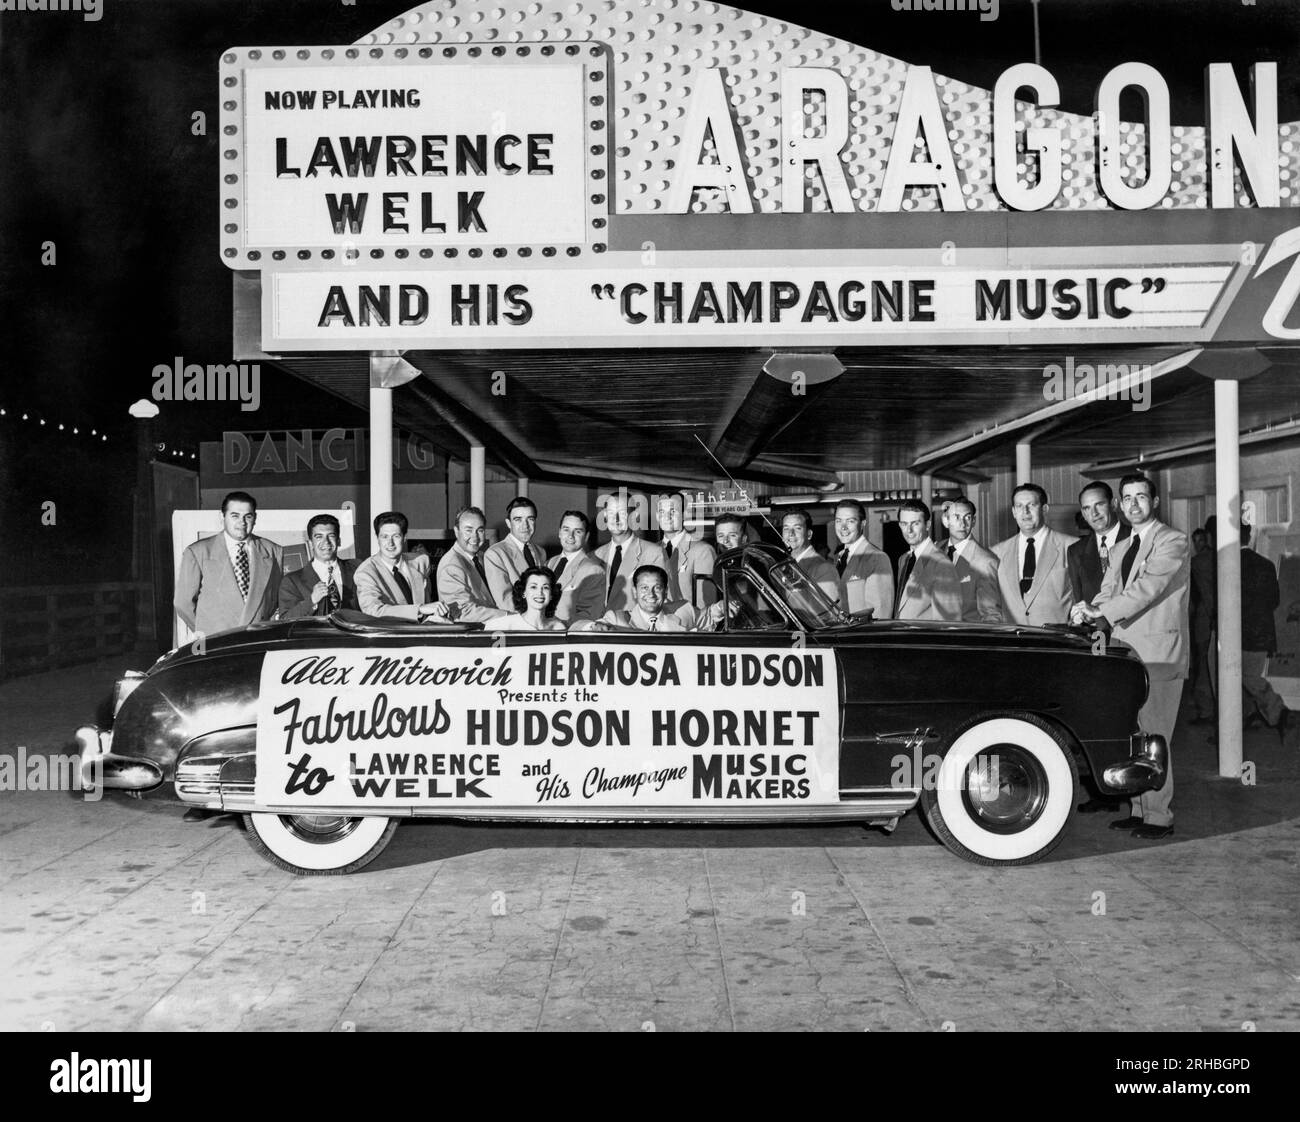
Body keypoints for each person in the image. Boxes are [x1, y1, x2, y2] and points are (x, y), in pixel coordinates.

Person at [1074, 474, 1189, 840]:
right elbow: (1109, 591)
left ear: (1155, 502)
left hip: (1158, 656)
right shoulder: (1125, 546)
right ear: (1120, 505)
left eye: (1141, 497)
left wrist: (1104, 614)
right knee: (1135, 736)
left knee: (1156, 736)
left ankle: (1159, 816)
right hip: (1127, 657)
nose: (1134, 504)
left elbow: (1148, 588)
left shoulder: (1172, 541)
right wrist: (1087, 609)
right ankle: (1140, 809)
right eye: (1127, 498)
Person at [174, 490, 282, 636]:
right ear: (222, 517)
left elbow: (275, 600)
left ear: (255, 518)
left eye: (247, 516)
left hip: (256, 641)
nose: (241, 522)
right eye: (235, 516)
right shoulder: (197, 552)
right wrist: (207, 630)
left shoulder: (273, 551)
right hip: (213, 641)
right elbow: (182, 603)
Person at [1240, 524, 1295, 742]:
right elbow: (1274, 600)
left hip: (1240, 633)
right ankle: (1250, 715)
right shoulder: (1267, 564)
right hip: (1263, 632)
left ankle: (1279, 711)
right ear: (1250, 537)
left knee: (1245, 677)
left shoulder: (1228, 565)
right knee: (1249, 676)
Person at [993, 484, 1075, 626]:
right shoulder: (997, 552)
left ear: (1044, 509)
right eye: (1019, 506)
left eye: (1031, 505)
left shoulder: (1071, 546)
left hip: (1056, 640)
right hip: (1013, 642)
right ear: (1013, 512)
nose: (1025, 512)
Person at [354, 511, 446, 621]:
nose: (390, 543)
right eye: (384, 537)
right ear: (377, 538)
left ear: (405, 537)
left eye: (396, 536)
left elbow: (430, 602)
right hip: (391, 635)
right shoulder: (366, 572)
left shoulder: (421, 561)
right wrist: (419, 609)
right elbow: (374, 610)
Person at [590, 565, 721, 631]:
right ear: (635, 592)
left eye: (657, 588)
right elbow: (578, 628)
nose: (651, 594)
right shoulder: (616, 619)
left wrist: (724, 606)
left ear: (665, 592)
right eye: (644, 588)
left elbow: (710, 614)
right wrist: (594, 626)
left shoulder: (684, 611)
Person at [276, 514, 358, 618]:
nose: (326, 542)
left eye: (331, 536)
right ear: (310, 543)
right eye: (319, 537)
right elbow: (285, 620)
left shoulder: (357, 569)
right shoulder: (292, 581)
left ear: (339, 541)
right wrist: (312, 600)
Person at [436, 506, 508, 624]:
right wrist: (508, 615)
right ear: (456, 531)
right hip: (472, 637)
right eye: (468, 530)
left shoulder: (481, 557)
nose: (475, 537)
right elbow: (462, 612)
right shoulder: (451, 566)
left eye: (480, 530)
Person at [595, 493, 666, 613]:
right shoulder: (595, 555)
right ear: (605, 516)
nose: (616, 519)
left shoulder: (653, 553)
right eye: (611, 513)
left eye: (622, 513)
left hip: (634, 629)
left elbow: (661, 601)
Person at [893, 499, 963, 621]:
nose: (909, 530)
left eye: (915, 523)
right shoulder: (904, 559)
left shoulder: (941, 563)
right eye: (904, 524)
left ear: (928, 525)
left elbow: (949, 621)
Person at [935, 497, 1003, 622]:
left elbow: (991, 616)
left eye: (967, 517)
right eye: (956, 517)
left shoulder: (986, 561)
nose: (963, 524)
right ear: (946, 521)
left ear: (974, 521)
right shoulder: (934, 551)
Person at [1067, 481, 1132, 605]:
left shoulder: (1137, 538)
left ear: (1114, 504)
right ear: (1083, 514)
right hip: (1094, 624)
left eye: (1099, 504)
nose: (1094, 513)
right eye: (1087, 508)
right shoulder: (1075, 551)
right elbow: (1079, 599)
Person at [832, 499, 893, 619]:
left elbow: (881, 612)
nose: (843, 527)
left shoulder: (877, 558)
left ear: (863, 523)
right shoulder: (838, 557)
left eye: (850, 521)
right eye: (839, 521)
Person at [482, 496, 543, 611]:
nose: (525, 526)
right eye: (518, 519)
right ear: (508, 523)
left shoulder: (541, 552)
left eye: (530, 519)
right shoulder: (495, 554)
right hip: (518, 623)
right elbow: (505, 601)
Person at [657, 492, 716, 608]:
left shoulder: (702, 551)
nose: (667, 517)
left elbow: (707, 605)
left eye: (673, 512)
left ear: (684, 515)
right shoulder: (649, 551)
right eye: (662, 512)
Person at [548, 510, 606, 626]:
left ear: (586, 537)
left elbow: (588, 616)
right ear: (559, 532)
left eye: (578, 531)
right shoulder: (549, 563)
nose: (570, 536)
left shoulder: (593, 570)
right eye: (566, 530)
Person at [1188, 517, 1217, 723]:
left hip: (1205, 619)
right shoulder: (1218, 557)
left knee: (1203, 663)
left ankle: (1206, 710)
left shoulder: (1198, 562)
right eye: (1195, 541)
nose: (1197, 545)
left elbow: (1205, 594)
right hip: (1212, 617)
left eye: (1200, 540)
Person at [780, 509, 840, 603]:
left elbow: (828, 614)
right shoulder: (782, 567)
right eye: (786, 528)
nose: (791, 534)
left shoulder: (824, 569)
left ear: (809, 534)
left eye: (797, 528)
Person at [492, 566, 567, 632]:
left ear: (551, 595)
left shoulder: (559, 628)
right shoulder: (502, 626)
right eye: (533, 587)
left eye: (545, 587)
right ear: (523, 592)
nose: (539, 593)